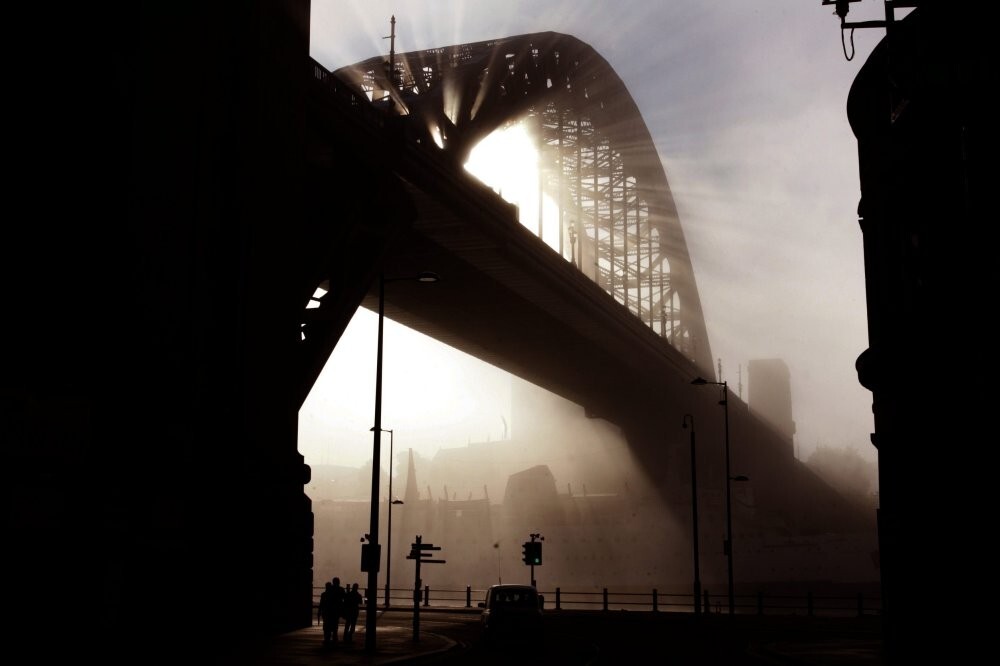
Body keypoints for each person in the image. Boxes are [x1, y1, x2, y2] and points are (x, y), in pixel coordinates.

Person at [319, 578, 345, 646]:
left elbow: (322, 603)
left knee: (327, 625)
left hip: (327, 611)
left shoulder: (326, 592)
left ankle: (327, 638)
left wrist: (319, 611)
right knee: (335, 625)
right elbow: (343, 599)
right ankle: (334, 638)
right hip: (335, 611)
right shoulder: (340, 589)